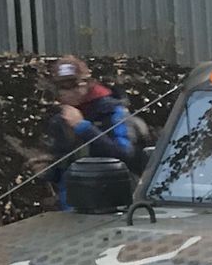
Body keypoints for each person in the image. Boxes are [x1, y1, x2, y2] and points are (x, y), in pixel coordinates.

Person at [44, 56, 148, 207]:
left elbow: (125, 156)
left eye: (72, 85)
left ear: (86, 84)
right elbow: (62, 167)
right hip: (73, 206)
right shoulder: (59, 120)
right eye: (61, 87)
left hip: (111, 203)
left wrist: (83, 127)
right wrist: (47, 170)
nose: (66, 93)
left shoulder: (113, 111)